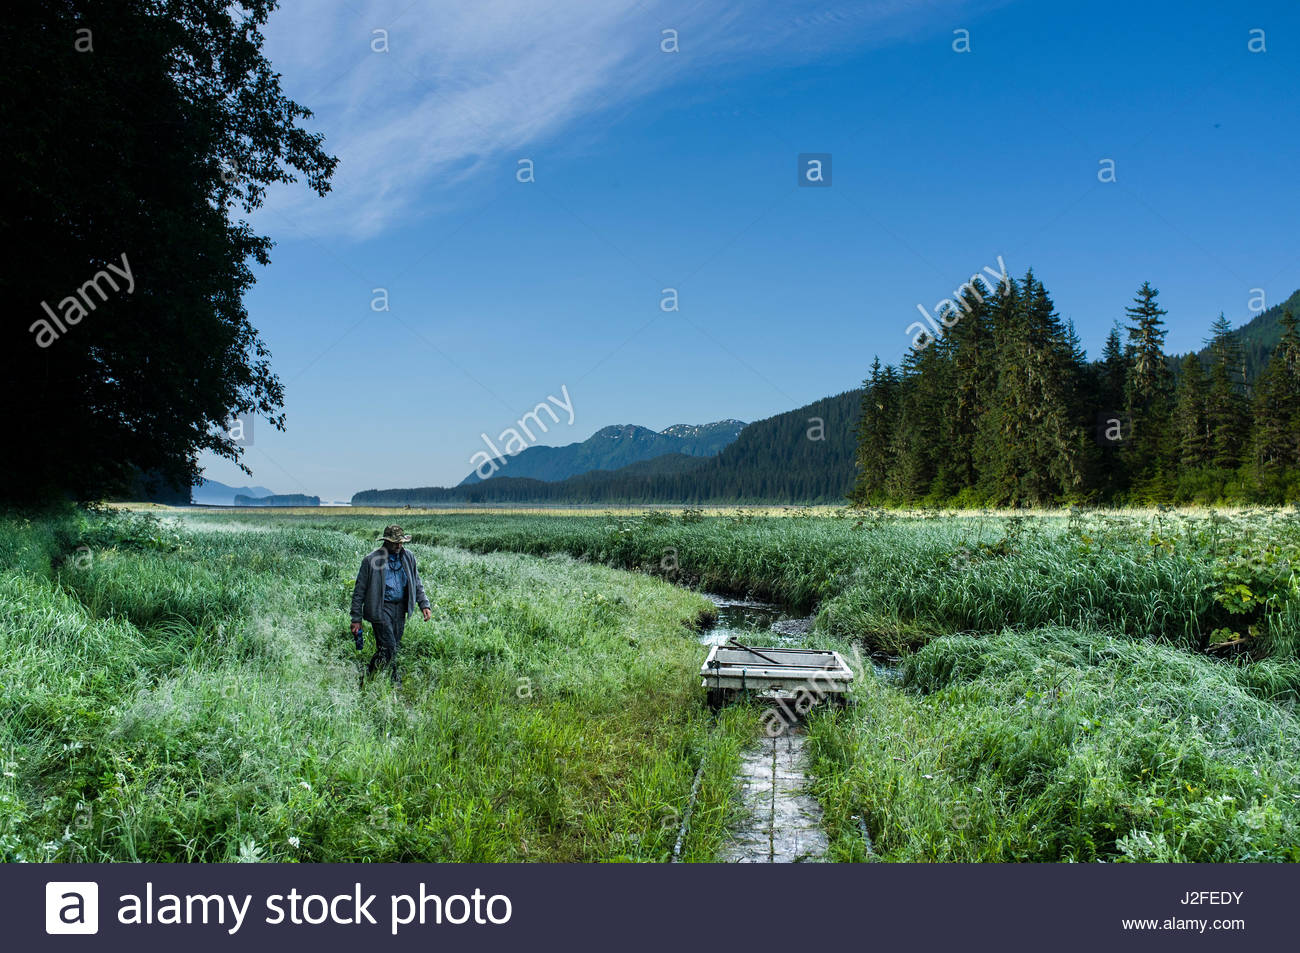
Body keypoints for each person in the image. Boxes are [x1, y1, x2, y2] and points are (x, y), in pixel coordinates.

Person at [350, 524, 431, 685]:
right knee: (389, 646)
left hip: (400, 608)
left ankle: (378, 677)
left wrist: (424, 604)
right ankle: (379, 680)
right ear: (386, 541)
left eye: (401, 542)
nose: (399, 545)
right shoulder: (372, 560)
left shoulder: (408, 557)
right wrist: (356, 618)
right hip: (380, 608)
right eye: (395, 542)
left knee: (391, 646)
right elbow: (359, 591)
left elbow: (416, 582)